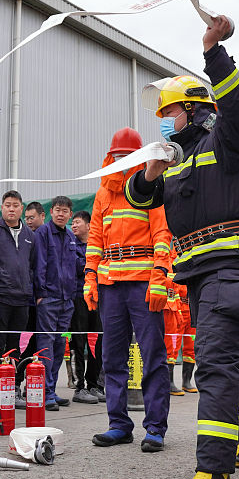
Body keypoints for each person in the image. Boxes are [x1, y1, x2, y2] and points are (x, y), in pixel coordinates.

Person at [126, 14, 239, 479]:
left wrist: (213, 50)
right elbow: (144, 199)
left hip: (232, 264)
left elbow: (238, 103)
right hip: (199, 271)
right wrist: (151, 170)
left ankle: (215, 472)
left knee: (212, 363)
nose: (162, 121)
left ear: (193, 110)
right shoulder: (176, 157)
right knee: (228, 358)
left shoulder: (224, 142)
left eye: (169, 112)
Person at [84, 128, 172, 451]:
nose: (121, 161)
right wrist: (90, 278)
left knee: (152, 356)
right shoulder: (102, 194)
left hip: (143, 283)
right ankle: (119, 424)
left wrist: (160, 277)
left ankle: (155, 427)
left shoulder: (149, 187)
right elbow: (94, 240)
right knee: (112, 357)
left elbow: (163, 234)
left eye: (127, 156)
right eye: (117, 156)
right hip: (110, 286)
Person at [0, 190, 36, 396]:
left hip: (22, 299)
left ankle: (11, 388)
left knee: (15, 345)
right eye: (7, 205)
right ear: (1, 207)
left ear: (21, 208)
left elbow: (32, 265)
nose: (11, 209)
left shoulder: (30, 236)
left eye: (15, 205)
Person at [33, 195, 80, 411]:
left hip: (66, 300)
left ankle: (51, 390)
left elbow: (76, 267)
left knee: (60, 345)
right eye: (58, 210)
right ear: (51, 212)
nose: (61, 214)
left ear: (70, 214)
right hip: (49, 298)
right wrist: (40, 292)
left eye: (65, 211)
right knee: (46, 344)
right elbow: (39, 264)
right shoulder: (42, 233)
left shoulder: (71, 237)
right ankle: (44, 392)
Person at [68, 210, 103, 403]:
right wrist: (91, 265)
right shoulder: (71, 246)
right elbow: (77, 267)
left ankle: (94, 385)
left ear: (89, 225)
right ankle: (79, 387)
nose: (74, 226)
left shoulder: (99, 246)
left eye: (77, 222)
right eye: (73, 223)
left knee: (98, 342)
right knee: (78, 343)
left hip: (98, 299)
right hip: (78, 298)